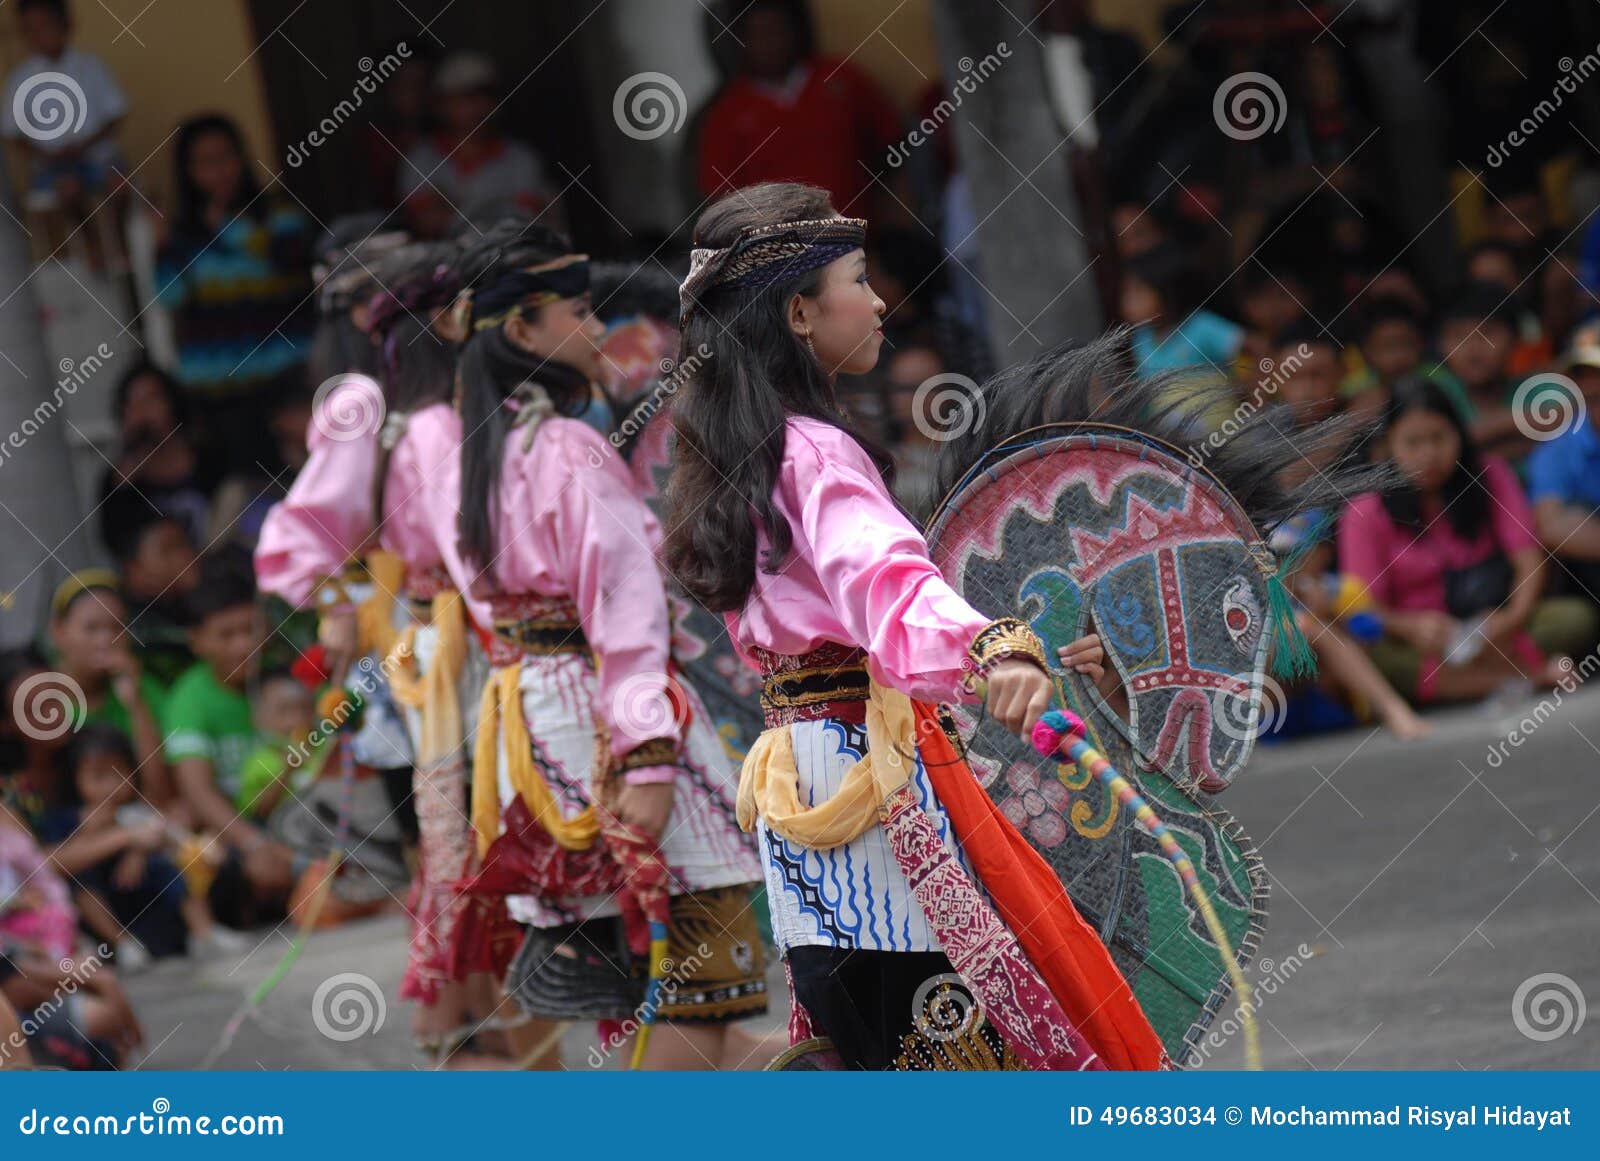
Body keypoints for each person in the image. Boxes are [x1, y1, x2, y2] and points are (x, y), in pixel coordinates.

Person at [665, 182, 1151, 1070]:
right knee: (939, 1046)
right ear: (801, 311)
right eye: (860, 277)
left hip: (805, 778)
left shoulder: (739, 449)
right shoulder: (814, 451)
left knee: (861, 1036)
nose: (882, 299)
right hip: (865, 775)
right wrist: (989, 646)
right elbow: (887, 583)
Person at [446, 220, 769, 1070]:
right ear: (523, 331)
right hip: (606, 720)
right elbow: (628, 620)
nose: (597, 331)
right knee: (702, 970)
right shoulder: (569, 448)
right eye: (580, 312)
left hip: (529, 722)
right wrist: (652, 762)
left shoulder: (481, 451)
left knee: (625, 982)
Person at [1337, 376, 1597, 708]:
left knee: (1574, 617)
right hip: (1420, 644)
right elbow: (1358, 609)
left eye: (1439, 438)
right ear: (1388, 447)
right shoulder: (1364, 512)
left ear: (1459, 435)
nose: (1429, 454)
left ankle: (1479, 681)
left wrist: (1511, 619)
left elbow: (1528, 560)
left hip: (1495, 631)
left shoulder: (1491, 475)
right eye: (1413, 443)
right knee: (1370, 654)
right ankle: (1526, 677)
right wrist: (1409, 627)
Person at [153, 114, 314, 467]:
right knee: (245, 496)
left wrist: (226, 227)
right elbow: (170, 296)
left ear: (241, 158)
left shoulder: (277, 215)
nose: (218, 171)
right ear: (189, 172)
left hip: (285, 383)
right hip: (219, 394)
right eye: (204, 163)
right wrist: (165, 243)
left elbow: (293, 262)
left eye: (224, 157)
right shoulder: (183, 236)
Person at [162, 554, 296, 929]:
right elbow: (197, 791)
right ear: (197, 641)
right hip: (235, 833)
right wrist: (253, 844)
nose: (243, 645)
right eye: (226, 634)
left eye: (249, 629)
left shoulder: (280, 684)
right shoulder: (189, 700)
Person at [41, 724, 241, 965]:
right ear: (75, 779)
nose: (111, 786)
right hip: (103, 902)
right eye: (98, 776)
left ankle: (204, 932)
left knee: (168, 866)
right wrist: (95, 830)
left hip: (145, 901)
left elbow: (163, 834)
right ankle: (122, 944)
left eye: (120, 773)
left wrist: (138, 853)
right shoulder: (66, 820)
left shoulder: (135, 810)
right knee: (81, 881)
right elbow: (56, 862)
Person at [695, 0, 900, 216]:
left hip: (858, 237)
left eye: (777, 30)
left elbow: (893, 142)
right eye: (758, 34)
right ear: (742, 40)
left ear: (796, 31)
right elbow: (722, 200)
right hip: (779, 246)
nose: (769, 43)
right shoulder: (726, 113)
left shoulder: (840, 78)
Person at [399, 52, 558, 238]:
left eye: (487, 97)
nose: (479, 107)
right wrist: (498, 207)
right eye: (467, 98)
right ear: (441, 104)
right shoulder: (420, 160)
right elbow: (428, 223)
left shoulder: (521, 158)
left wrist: (454, 206)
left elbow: (529, 221)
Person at [47, 571, 172, 805]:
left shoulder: (144, 689)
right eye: (92, 628)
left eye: (116, 628)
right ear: (58, 632)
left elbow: (162, 795)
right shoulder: (40, 695)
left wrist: (135, 704)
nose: (105, 640)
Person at [0, 0, 127, 217]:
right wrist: (46, 155)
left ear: (65, 23)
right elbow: (11, 133)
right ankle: (89, 247)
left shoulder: (91, 66)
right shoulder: (19, 79)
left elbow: (116, 114)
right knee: (68, 189)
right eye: (30, 30)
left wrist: (84, 146)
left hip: (99, 158)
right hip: (52, 167)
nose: (39, 35)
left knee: (119, 185)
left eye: (46, 25)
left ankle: (121, 248)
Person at [98, 485, 200, 690]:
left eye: (185, 545)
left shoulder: (200, 603)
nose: (186, 556)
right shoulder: (131, 628)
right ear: (135, 570)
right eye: (169, 549)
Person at [1526, 339, 1600, 604]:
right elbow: (1552, 526)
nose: (1593, 385)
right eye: (1583, 376)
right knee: (1576, 513)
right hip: (1589, 576)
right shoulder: (1559, 448)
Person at [1122, 242, 1242, 377]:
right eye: (1127, 292)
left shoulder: (1200, 327)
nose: (1127, 301)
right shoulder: (1141, 340)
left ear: (1167, 293)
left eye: (1138, 292)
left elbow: (1249, 348)